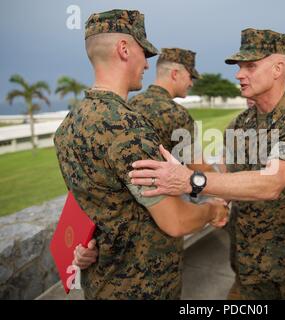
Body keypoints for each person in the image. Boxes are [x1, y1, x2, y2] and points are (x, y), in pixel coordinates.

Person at [128, 28, 285, 299]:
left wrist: (191, 180)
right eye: (239, 67)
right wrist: (214, 203)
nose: (239, 74)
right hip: (251, 266)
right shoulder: (240, 125)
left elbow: (272, 183)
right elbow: (227, 176)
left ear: (278, 69)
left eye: (250, 66)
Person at [53, 9, 227, 300]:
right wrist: (213, 210)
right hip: (145, 283)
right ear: (124, 49)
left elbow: (88, 201)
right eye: (143, 53)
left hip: (101, 282)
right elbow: (175, 221)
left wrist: (84, 247)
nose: (147, 65)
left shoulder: (68, 125)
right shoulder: (127, 127)